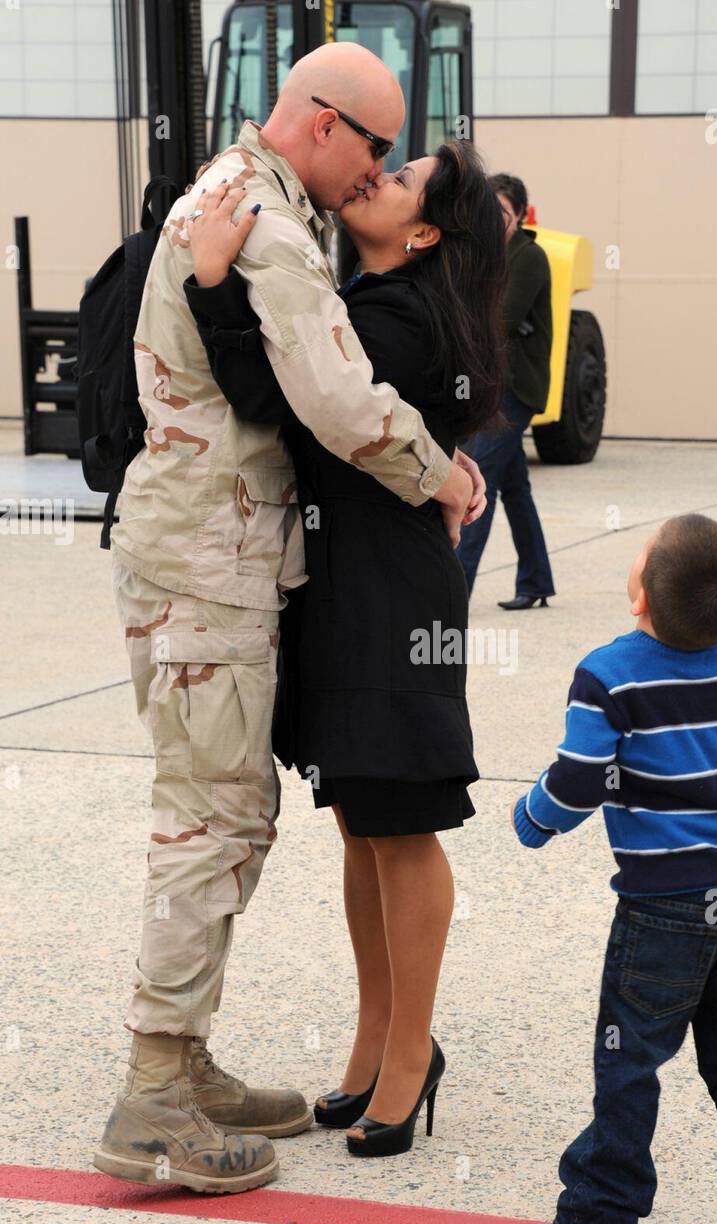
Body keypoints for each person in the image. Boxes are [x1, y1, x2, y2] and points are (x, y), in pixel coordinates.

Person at [93, 42, 483, 1195]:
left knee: (228, 814)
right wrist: (442, 474)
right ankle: (154, 1093)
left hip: (212, 558)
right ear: (323, 123)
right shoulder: (258, 218)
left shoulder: (253, 200)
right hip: (205, 565)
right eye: (375, 145)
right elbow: (331, 396)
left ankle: (186, 1061)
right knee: (210, 824)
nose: (377, 169)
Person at [181, 139, 507, 1158]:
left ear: (423, 232)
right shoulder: (385, 302)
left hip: (386, 597)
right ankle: (375, 1044)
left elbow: (284, 402)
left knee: (401, 824)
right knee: (364, 824)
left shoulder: (396, 317)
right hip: (354, 587)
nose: (377, 174)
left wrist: (209, 287)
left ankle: (408, 1054)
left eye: (402, 177)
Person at [510, 513, 717, 1224]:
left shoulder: (609, 672)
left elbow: (579, 778)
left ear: (641, 594)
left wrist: (533, 818)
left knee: (631, 1062)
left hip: (665, 904)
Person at [456, 173, 555, 609]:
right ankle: (535, 580)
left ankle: (455, 592)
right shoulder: (483, 255)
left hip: (516, 386)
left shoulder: (529, 257)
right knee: (515, 485)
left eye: (502, 213)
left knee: (481, 478)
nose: (494, 221)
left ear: (517, 215)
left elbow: (504, 318)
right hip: (494, 383)